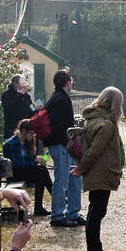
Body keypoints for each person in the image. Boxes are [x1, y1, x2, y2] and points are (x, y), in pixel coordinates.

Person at [75, 86, 125, 251]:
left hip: (96, 172)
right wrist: (81, 168)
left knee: (94, 212)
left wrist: (82, 168)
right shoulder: (106, 124)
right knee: (97, 213)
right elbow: (95, 150)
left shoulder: (92, 119)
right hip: (101, 173)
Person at [44, 70, 84, 227]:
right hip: (61, 144)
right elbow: (58, 125)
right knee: (62, 180)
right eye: (71, 80)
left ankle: (73, 212)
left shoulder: (57, 98)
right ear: (67, 83)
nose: (72, 83)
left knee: (74, 177)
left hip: (64, 144)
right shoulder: (60, 100)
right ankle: (57, 215)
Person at [2, 119, 52, 216]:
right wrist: (33, 162)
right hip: (15, 174)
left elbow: (26, 161)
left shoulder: (26, 143)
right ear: (24, 131)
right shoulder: (11, 144)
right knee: (41, 172)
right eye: (32, 133)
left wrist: (36, 160)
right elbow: (17, 165)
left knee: (42, 171)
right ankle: (51, 200)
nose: (33, 136)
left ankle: (41, 206)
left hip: (24, 172)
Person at [1, 74, 36, 140]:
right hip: (12, 131)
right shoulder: (6, 95)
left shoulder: (26, 96)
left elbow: (31, 110)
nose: (25, 85)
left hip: (26, 131)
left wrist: (36, 110)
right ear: (15, 84)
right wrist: (19, 96)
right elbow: (9, 109)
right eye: (22, 83)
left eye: (25, 83)